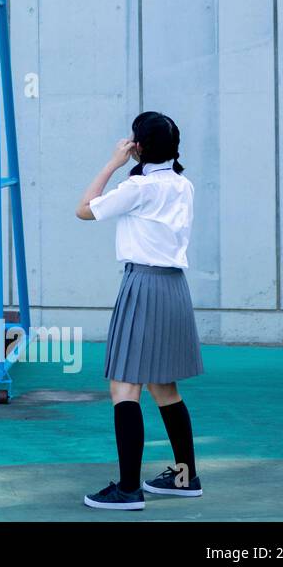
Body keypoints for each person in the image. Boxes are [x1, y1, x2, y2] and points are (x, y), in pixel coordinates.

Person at [76, 111, 204, 510]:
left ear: (139, 147)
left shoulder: (139, 188)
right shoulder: (184, 186)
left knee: (124, 386)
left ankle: (128, 488)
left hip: (143, 284)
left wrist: (114, 163)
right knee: (164, 386)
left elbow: (85, 208)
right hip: (174, 289)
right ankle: (185, 477)